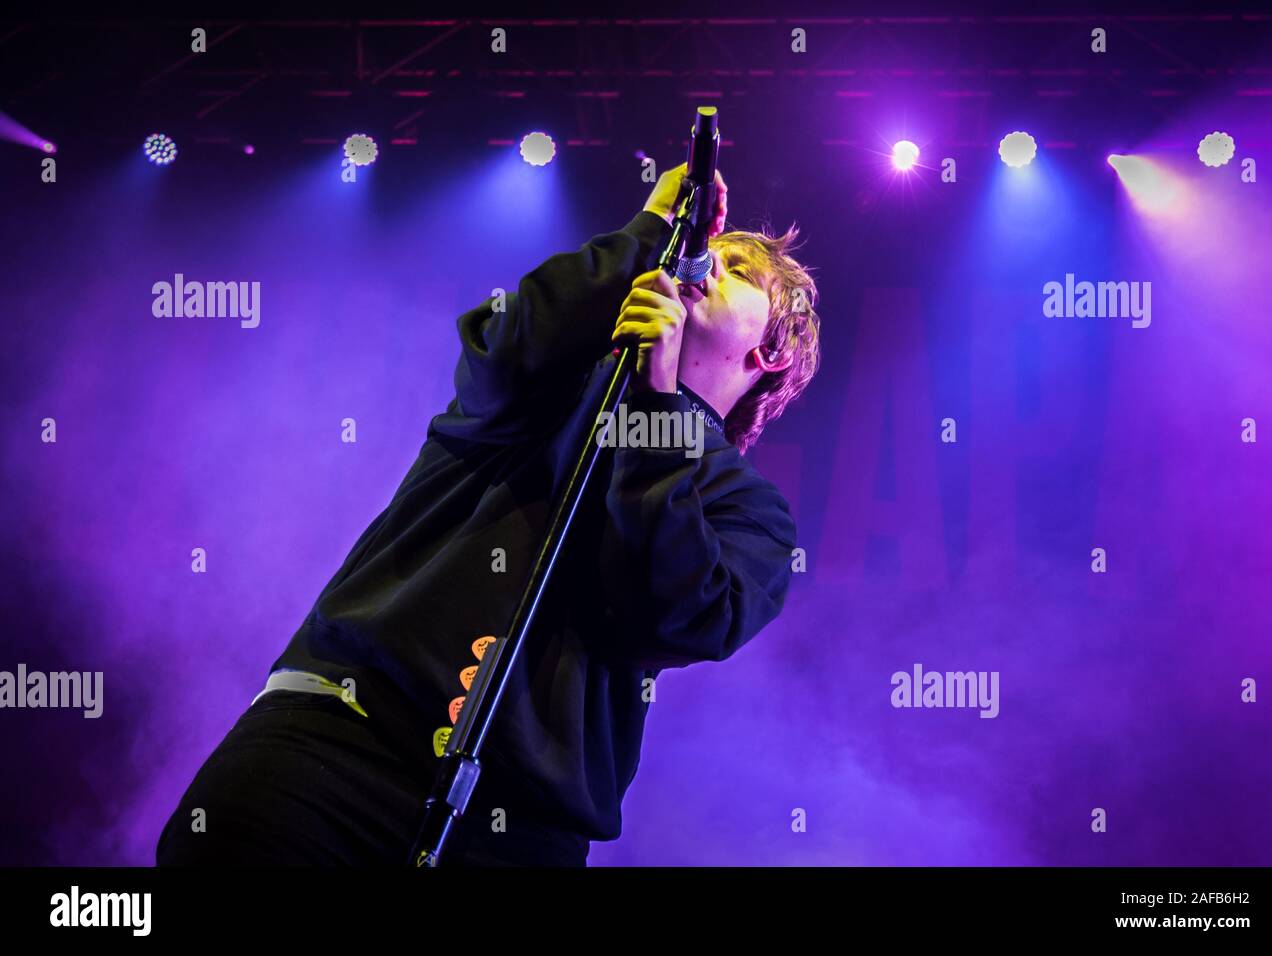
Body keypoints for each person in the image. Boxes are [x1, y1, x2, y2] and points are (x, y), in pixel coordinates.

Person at [156, 163, 821, 866]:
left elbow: (683, 612)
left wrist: (657, 411)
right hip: (333, 751)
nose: (708, 258)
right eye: (706, 249)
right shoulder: (558, 375)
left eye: (741, 269)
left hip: (512, 831)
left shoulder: (751, 511)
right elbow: (496, 345)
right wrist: (646, 230)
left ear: (771, 351)